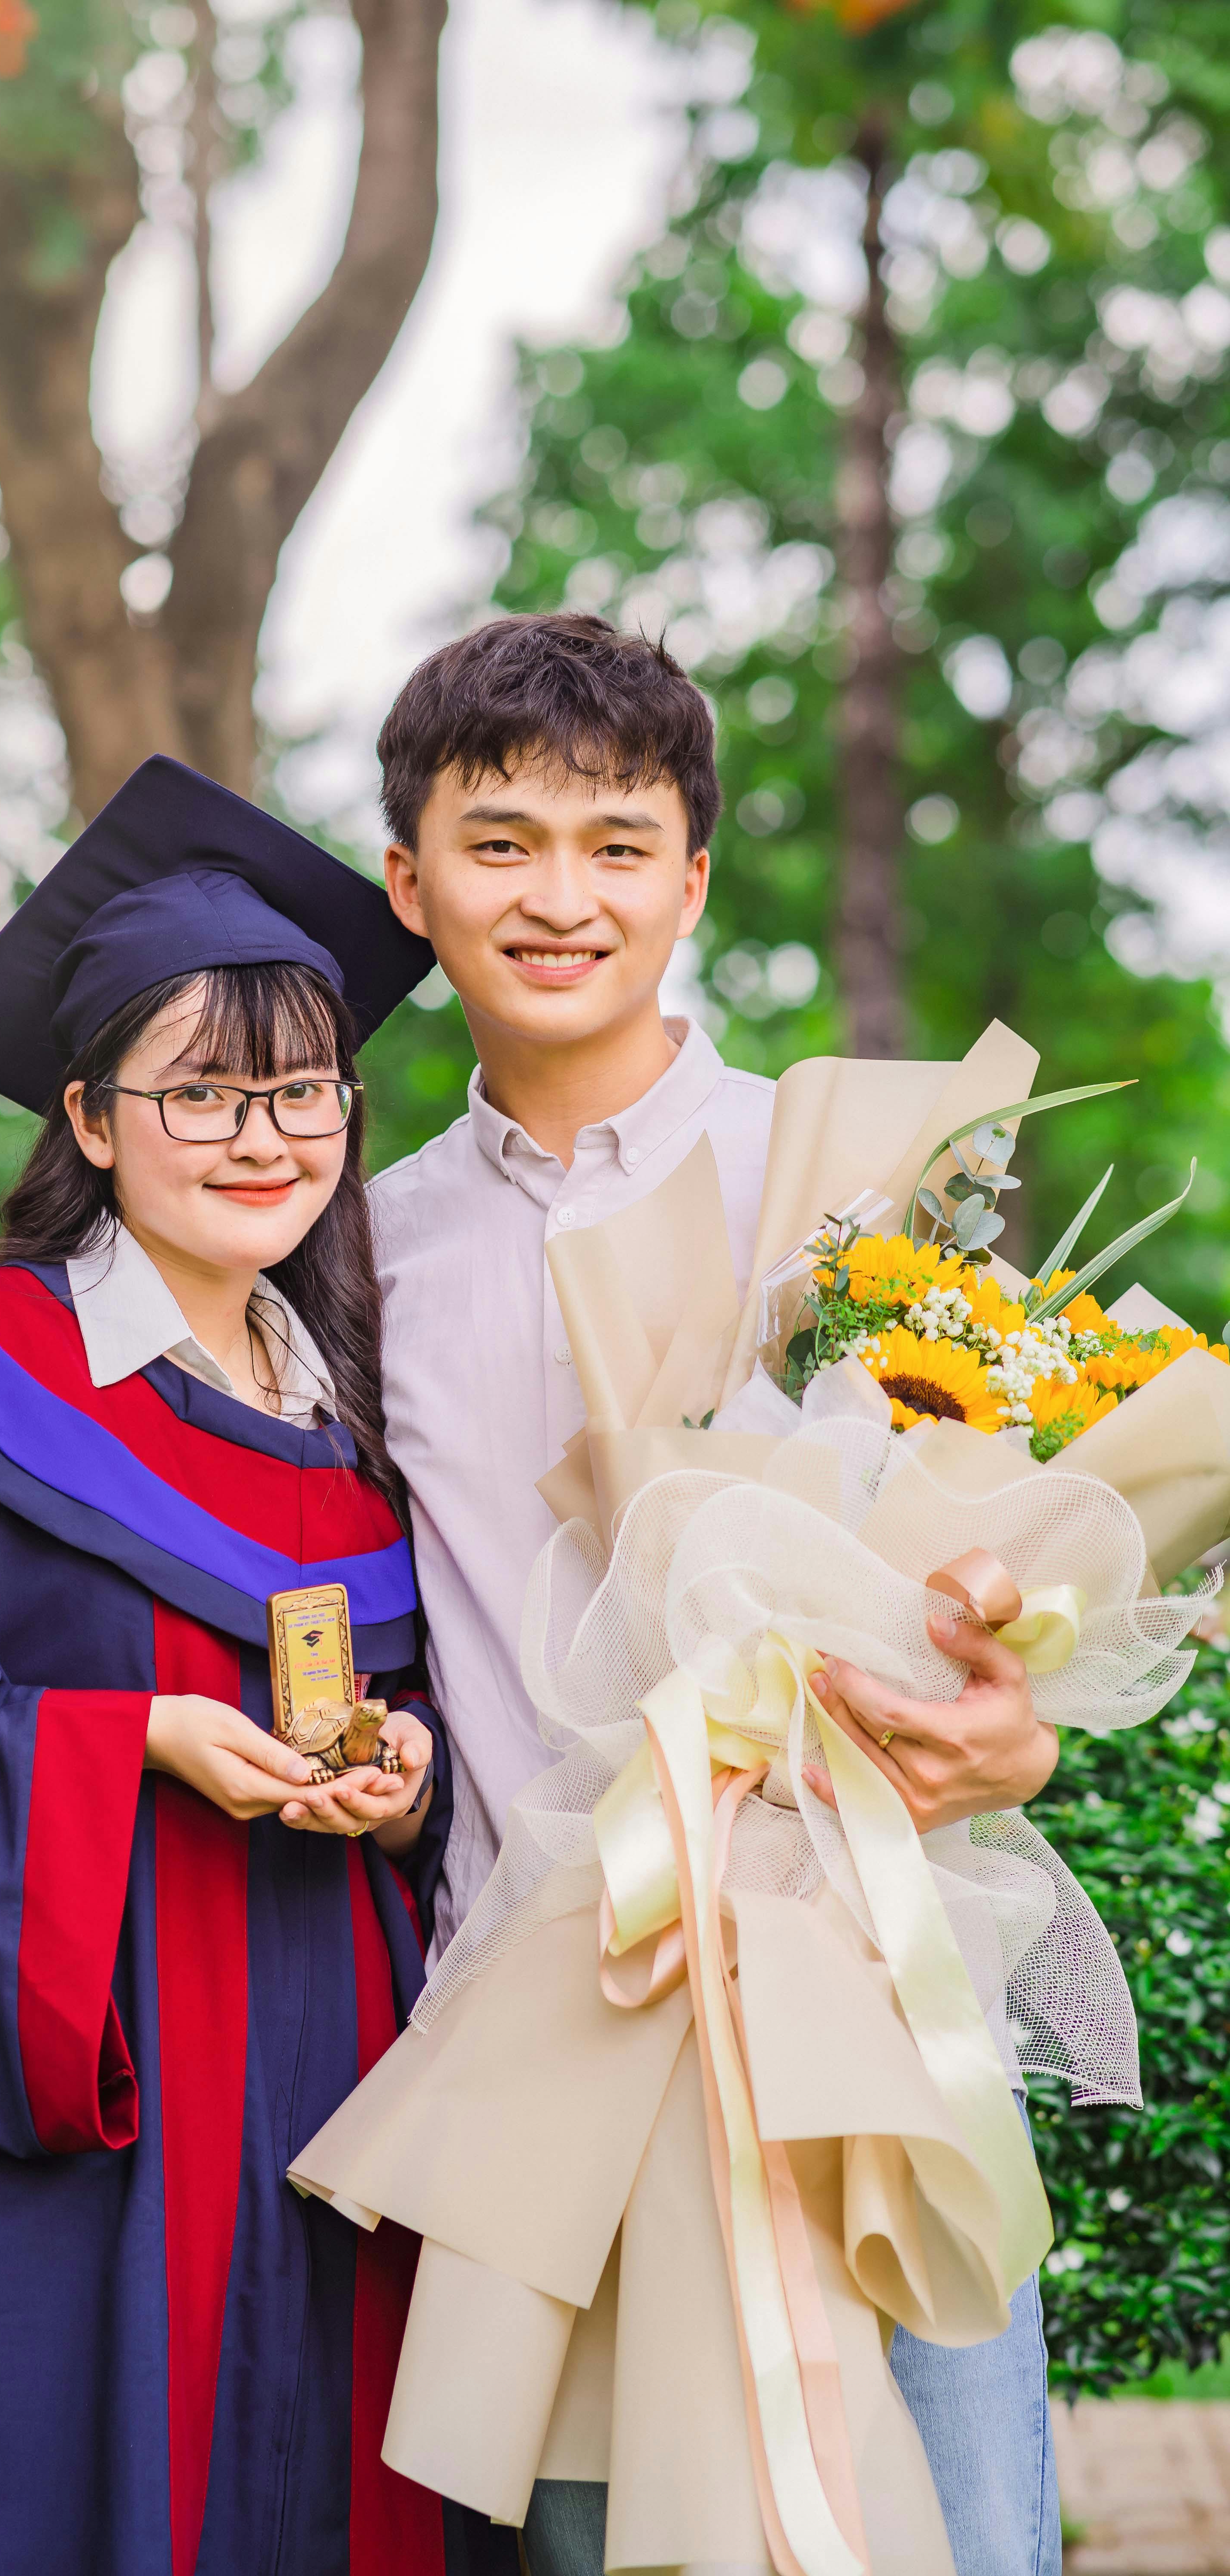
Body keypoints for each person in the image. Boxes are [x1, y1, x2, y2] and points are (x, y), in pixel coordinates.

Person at [0, 757, 483, 2576]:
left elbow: (454, 1722)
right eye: (198, 1089)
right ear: (89, 1113)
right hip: (70, 2120)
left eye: (301, 1087)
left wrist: (404, 1784)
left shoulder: (367, 1425)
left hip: (345, 2099)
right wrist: (125, 1738)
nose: (261, 1135)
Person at [368, 614, 1063, 2576]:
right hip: (541, 2022)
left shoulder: (857, 1187)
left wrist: (1011, 1705)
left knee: (949, 2536)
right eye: (499, 844)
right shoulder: (358, 1252)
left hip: (858, 2004)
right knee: (607, 2544)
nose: (558, 896)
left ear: (689, 878)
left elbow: (1000, 1554)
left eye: (616, 843)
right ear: (409, 885)